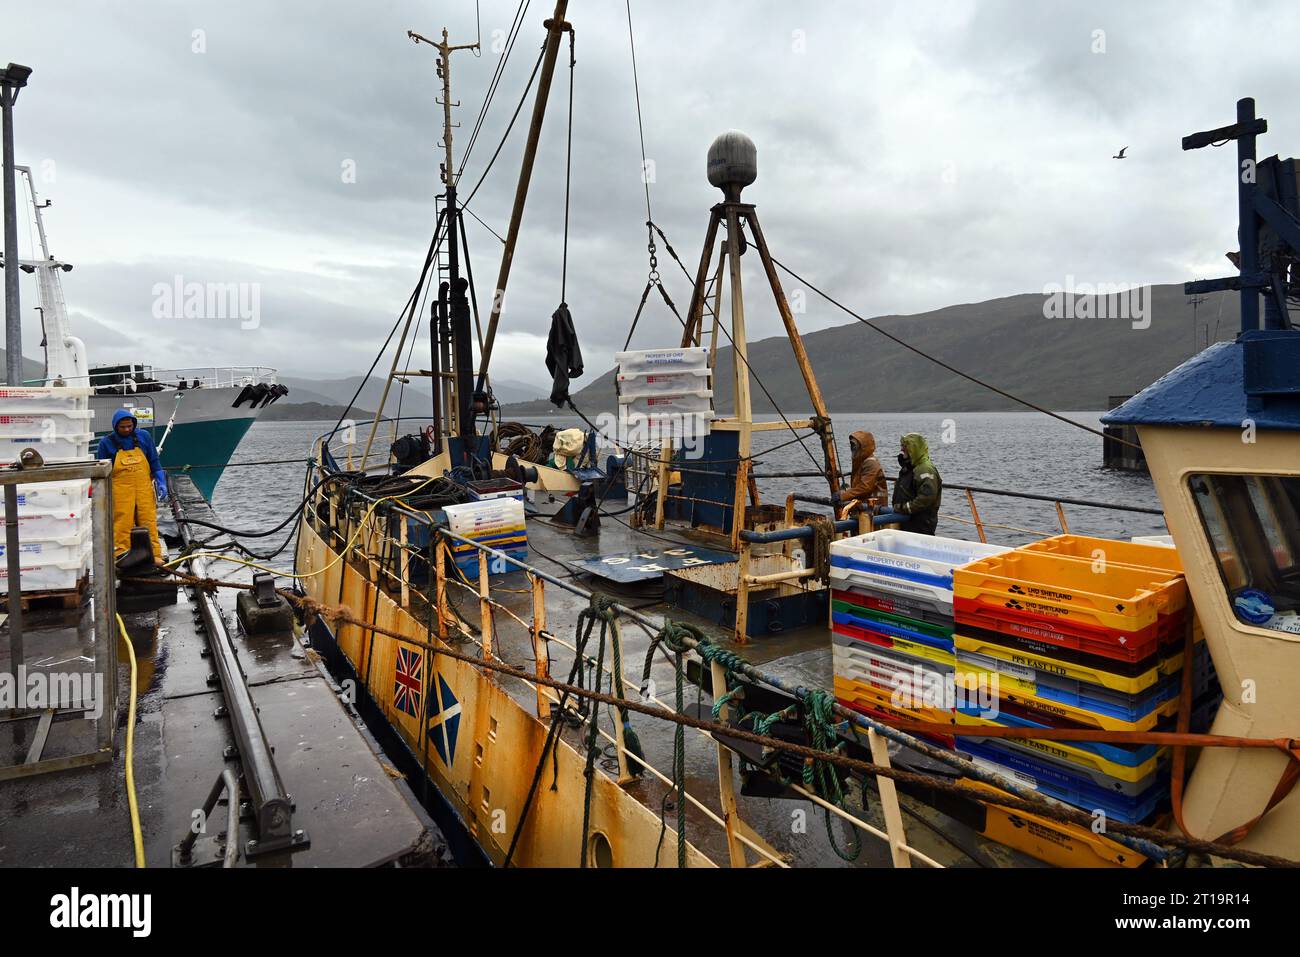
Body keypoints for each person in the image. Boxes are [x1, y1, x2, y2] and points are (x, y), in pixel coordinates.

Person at [96, 409, 166, 562]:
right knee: (122, 523)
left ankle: (154, 555)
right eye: (123, 427)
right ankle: (122, 556)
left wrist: (161, 482)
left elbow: (154, 461)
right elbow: (101, 471)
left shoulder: (144, 437)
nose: (127, 429)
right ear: (115, 426)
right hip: (120, 491)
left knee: (149, 521)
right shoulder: (105, 443)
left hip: (144, 489)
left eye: (130, 426)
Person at [887, 432, 942, 535]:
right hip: (908, 521)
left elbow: (926, 498)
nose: (902, 449)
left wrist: (903, 508)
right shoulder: (911, 468)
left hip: (920, 524)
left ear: (914, 448)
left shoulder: (925, 469)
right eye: (902, 446)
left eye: (905, 446)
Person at [838, 430, 888, 511]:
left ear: (863, 446)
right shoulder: (861, 462)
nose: (852, 447)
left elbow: (865, 487)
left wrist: (842, 496)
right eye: (851, 444)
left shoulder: (870, 463)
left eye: (854, 445)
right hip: (864, 507)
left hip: (874, 508)